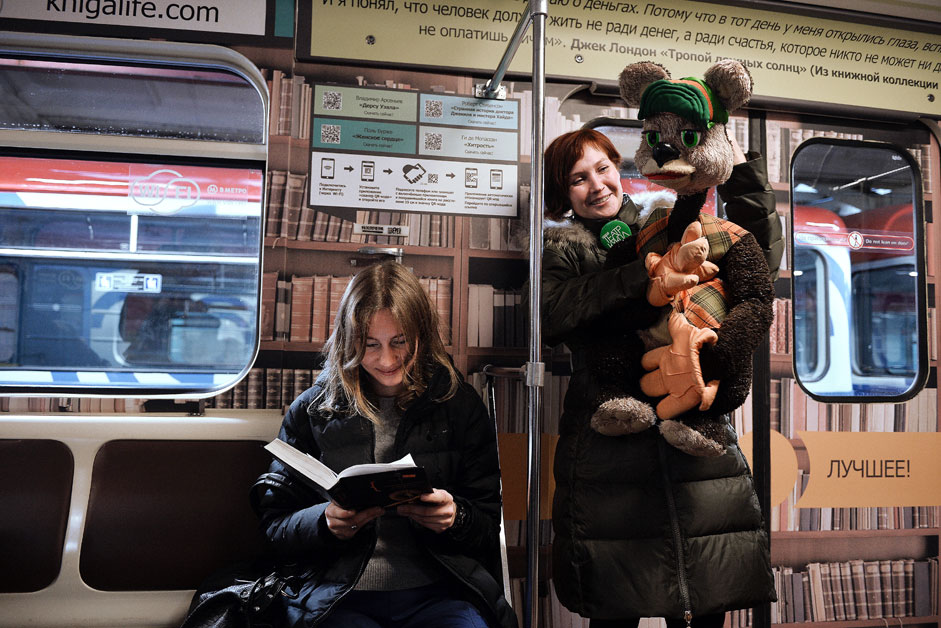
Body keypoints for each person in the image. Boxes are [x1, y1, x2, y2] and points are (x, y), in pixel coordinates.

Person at [540, 128, 782, 628]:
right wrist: (645, 277)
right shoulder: (559, 247)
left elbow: (754, 254)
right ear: (564, 193)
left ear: (618, 167)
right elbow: (549, 314)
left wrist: (738, 170)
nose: (597, 185)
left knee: (705, 591)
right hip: (607, 442)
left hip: (691, 425)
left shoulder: (663, 220)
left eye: (602, 169)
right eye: (578, 179)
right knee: (616, 600)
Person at [255, 260, 517, 628]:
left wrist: (455, 517)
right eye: (370, 345)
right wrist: (324, 522)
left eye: (399, 342)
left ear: (421, 336)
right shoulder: (313, 410)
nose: (387, 360)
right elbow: (275, 526)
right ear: (349, 341)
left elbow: (488, 527)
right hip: (339, 594)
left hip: (441, 589)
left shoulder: (459, 405)